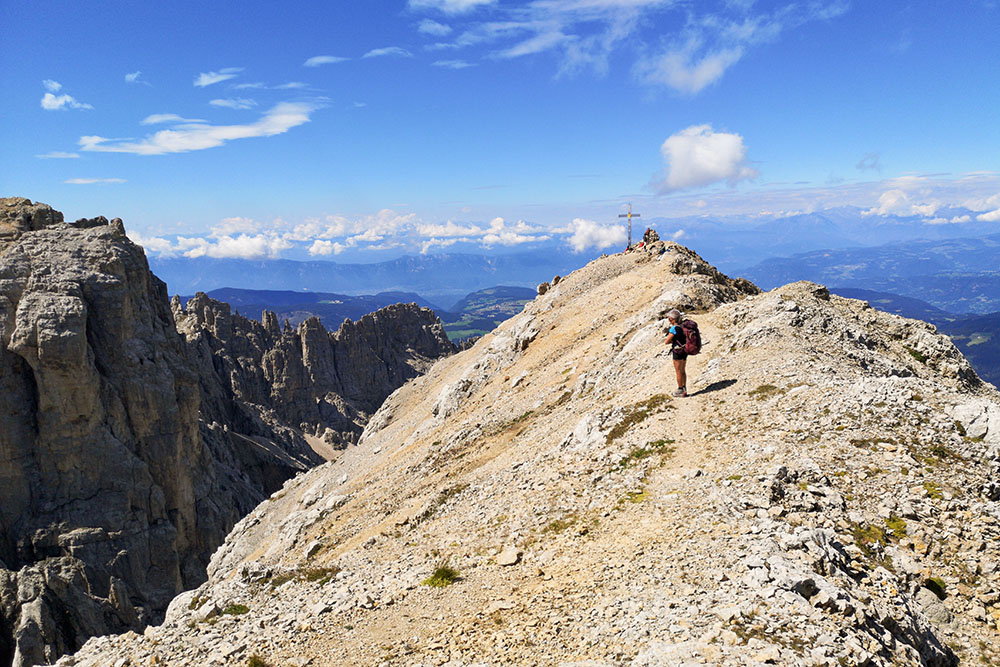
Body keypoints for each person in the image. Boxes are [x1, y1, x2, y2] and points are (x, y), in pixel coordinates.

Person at [664, 309, 687, 397]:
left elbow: (667, 341)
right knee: (683, 370)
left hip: (677, 350)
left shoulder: (673, 328)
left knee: (678, 371)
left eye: (669, 318)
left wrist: (671, 341)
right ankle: (684, 388)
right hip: (684, 350)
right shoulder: (682, 326)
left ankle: (680, 389)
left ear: (672, 319)